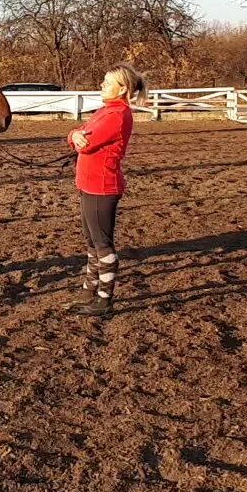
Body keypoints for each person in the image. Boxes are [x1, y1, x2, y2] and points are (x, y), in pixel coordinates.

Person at [66, 63, 148, 316]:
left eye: (107, 82)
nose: (101, 85)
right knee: (92, 241)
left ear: (122, 88)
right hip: (89, 184)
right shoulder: (105, 110)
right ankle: (89, 290)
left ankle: (104, 297)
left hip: (102, 186)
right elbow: (78, 135)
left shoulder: (117, 115)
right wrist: (73, 134)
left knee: (102, 243)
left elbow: (86, 142)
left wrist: (78, 137)